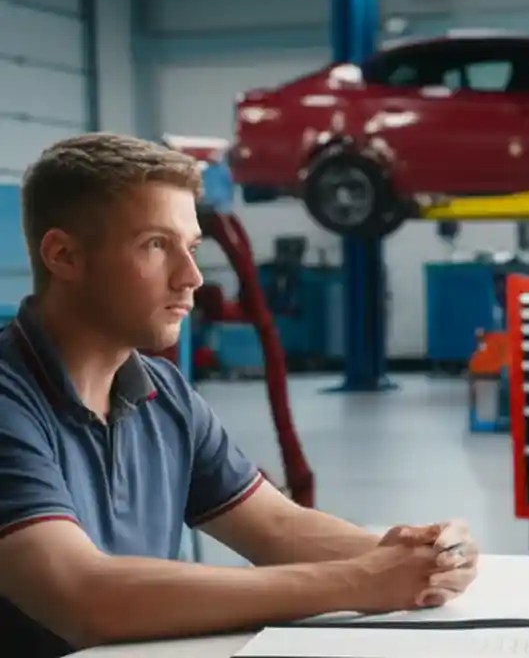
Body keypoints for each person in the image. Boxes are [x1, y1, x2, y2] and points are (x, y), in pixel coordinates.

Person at [0, 134, 481, 657]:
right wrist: (362, 581)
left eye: (191, 248)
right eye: (155, 245)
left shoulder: (165, 395)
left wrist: (421, 554)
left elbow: (275, 526)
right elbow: (81, 596)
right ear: (64, 256)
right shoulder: (10, 396)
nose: (191, 277)